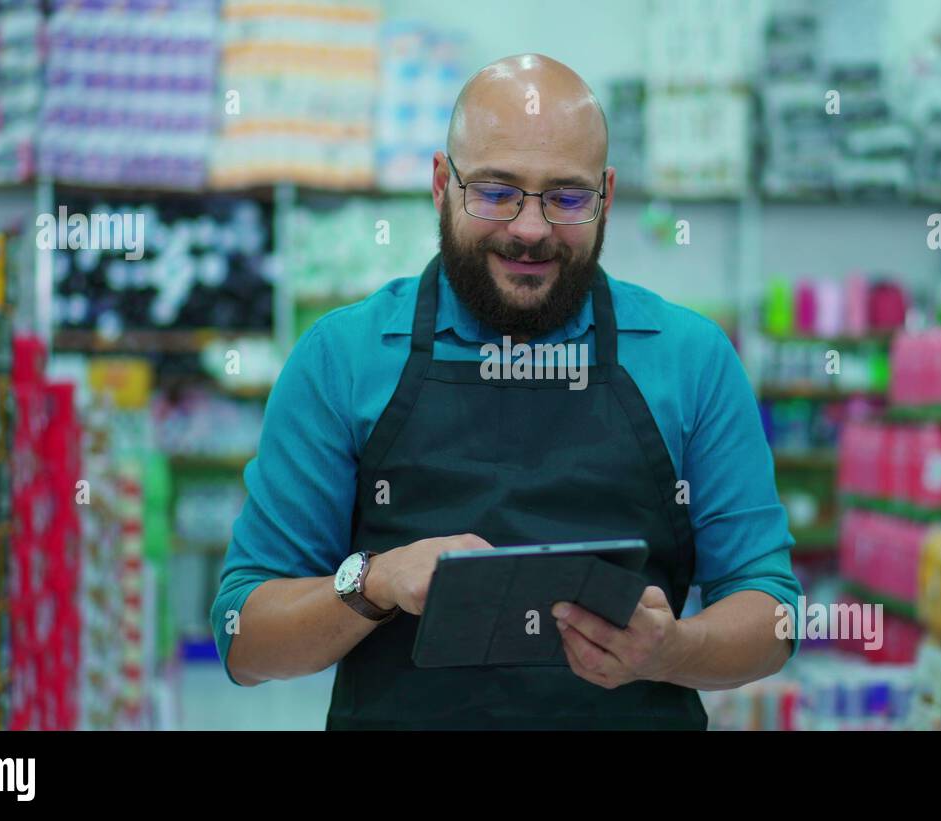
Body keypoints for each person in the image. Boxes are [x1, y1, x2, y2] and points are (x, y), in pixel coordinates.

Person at [211, 53, 802, 730]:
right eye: (496, 191)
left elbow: (774, 609)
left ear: (606, 196)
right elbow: (244, 634)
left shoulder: (690, 358)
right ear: (442, 185)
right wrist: (373, 580)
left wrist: (672, 649)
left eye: (567, 197)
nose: (530, 228)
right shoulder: (341, 358)